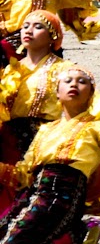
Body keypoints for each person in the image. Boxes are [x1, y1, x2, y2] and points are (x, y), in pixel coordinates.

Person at [0, 67, 100, 244]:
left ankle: (73, 242)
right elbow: (24, 173)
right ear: (57, 92)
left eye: (82, 81)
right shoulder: (46, 130)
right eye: (67, 81)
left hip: (64, 197)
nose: (74, 85)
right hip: (36, 193)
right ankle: (70, 239)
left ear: (91, 93)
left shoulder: (98, 127)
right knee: (5, 232)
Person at [0, 11, 77, 170]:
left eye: (38, 27)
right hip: (9, 143)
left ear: (52, 36)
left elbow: (79, 108)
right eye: (25, 26)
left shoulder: (65, 69)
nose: (29, 30)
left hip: (44, 140)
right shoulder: (11, 69)